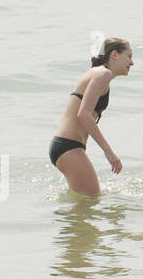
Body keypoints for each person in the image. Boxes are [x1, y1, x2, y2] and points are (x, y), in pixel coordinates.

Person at [49, 37, 133, 196]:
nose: (132, 62)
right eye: (128, 56)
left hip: (65, 147)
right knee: (91, 201)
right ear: (114, 54)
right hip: (68, 147)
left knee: (90, 200)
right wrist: (109, 152)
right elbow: (84, 115)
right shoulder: (103, 74)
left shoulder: (98, 73)